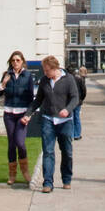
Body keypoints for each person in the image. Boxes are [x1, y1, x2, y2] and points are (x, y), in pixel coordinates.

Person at [20, 55, 81, 193]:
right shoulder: (44, 81)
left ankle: (66, 178)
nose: (45, 73)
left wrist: (67, 109)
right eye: (44, 70)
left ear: (55, 68)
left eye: (47, 70)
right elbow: (38, 100)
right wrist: (28, 114)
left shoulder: (68, 79)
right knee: (48, 151)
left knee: (67, 151)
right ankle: (48, 182)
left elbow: (75, 98)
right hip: (48, 119)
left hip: (65, 121)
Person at [0, 50, 36, 186]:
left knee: (20, 142)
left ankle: (25, 171)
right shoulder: (7, 75)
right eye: (13, 60)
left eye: (18, 60)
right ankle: (12, 174)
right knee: (11, 144)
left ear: (22, 62)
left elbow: (31, 96)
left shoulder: (28, 76)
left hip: (22, 113)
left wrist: (29, 114)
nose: (15, 63)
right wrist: (4, 83)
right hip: (9, 113)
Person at [72, 66, 89, 140]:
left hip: (70, 101)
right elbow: (84, 91)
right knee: (77, 118)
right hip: (78, 101)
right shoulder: (80, 79)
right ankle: (77, 134)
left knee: (71, 118)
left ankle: (71, 134)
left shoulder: (69, 79)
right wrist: (81, 99)